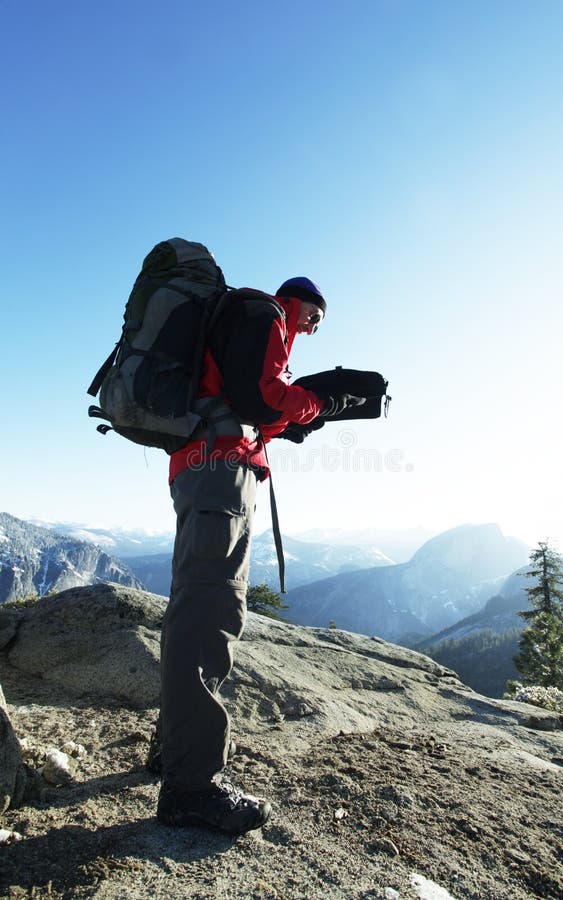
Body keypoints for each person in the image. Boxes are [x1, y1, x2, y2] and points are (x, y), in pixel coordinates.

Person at [155, 276, 364, 835]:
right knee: (211, 613)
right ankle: (190, 787)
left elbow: (248, 401)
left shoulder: (237, 321)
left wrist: (284, 425)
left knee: (192, 604)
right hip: (220, 475)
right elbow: (266, 394)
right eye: (314, 317)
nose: (312, 328)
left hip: (201, 467)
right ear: (300, 304)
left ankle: (172, 750)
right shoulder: (267, 316)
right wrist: (320, 402)